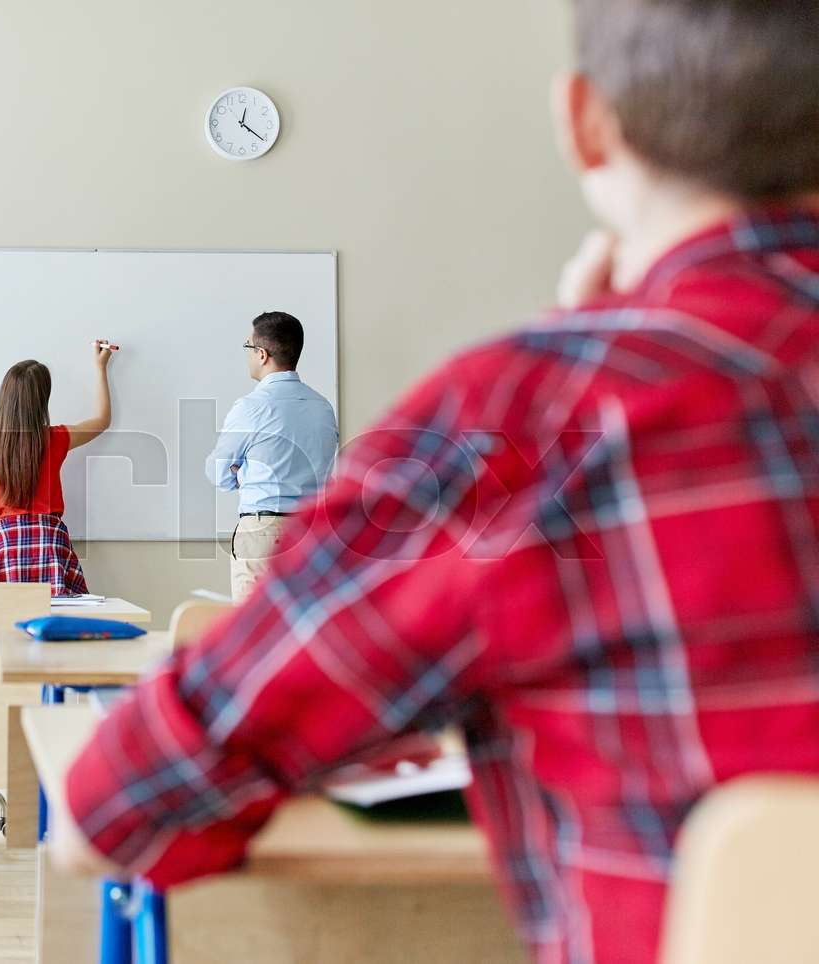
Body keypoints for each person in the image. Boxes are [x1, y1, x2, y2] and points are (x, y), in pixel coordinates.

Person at [51, 2, 819, 962]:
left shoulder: (522, 420)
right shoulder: (428, 410)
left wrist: (582, 357)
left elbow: (113, 813)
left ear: (584, 123)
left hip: (264, 535)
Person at [205, 311, 338, 599]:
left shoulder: (251, 407)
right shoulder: (323, 407)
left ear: (262, 354)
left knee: (255, 622)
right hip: (313, 532)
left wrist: (241, 475)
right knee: (302, 621)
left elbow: (217, 471)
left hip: (263, 532)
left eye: (248, 347)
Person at [0, 341, 117, 596]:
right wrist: (100, 368)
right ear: (42, 401)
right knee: (55, 613)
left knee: (5, 614)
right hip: (50, 541)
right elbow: (102, 420)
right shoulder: (55, 438)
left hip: (6, 544)